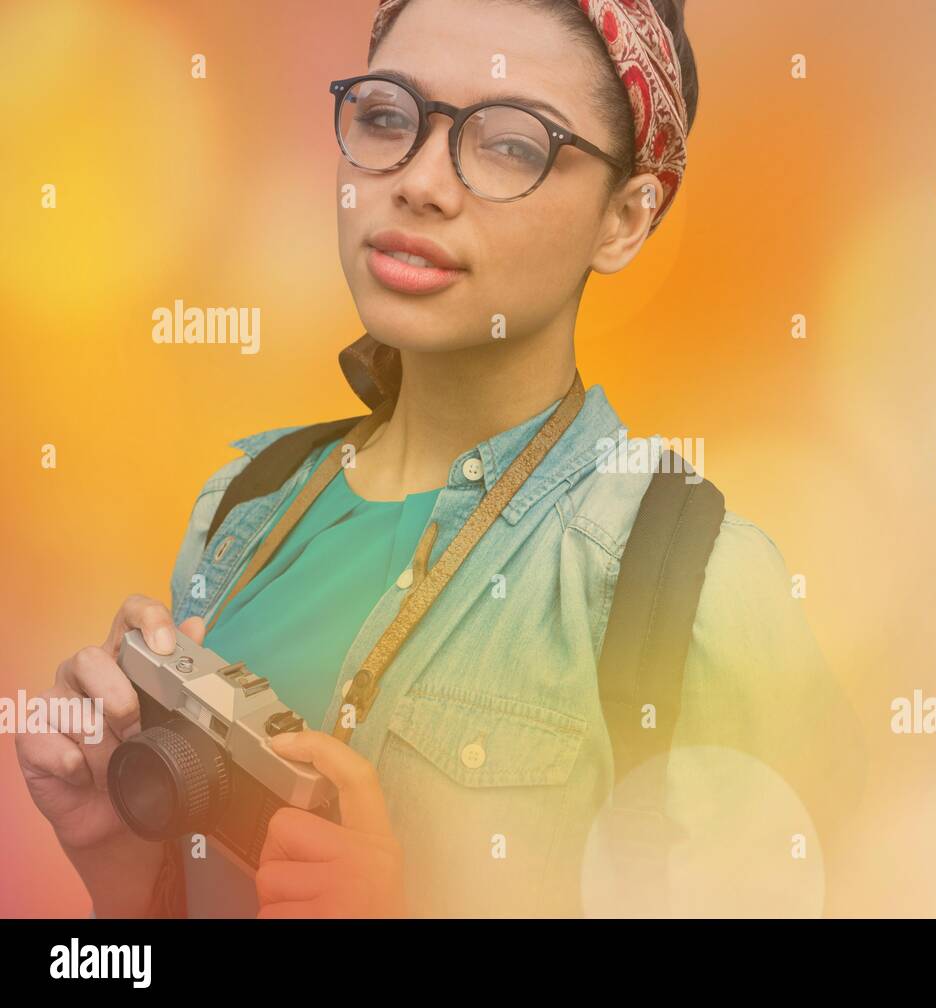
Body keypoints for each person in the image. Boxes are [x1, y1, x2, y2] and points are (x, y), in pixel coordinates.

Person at [18, 0, 864, 918]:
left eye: (510, 144)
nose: (419, 182)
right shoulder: (240, 512)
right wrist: (115, 863)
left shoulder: (693, 583)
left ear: (624, 218)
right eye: (387, 118)